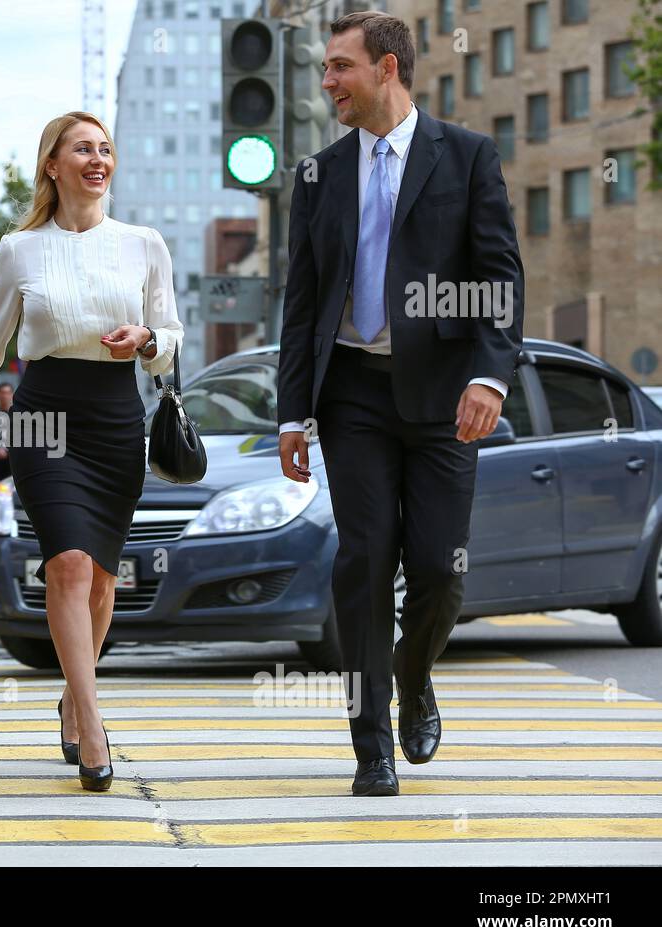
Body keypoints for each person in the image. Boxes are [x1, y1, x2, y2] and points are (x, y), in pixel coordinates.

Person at [276, 12, 524, 796]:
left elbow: (501, 278)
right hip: (352, 394)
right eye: (323, 69)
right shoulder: (317, 175)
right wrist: (291, 413)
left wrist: (489, 377)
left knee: (439, 572)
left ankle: (414, 678)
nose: (327, 83)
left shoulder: (468, 157)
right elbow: (302, 301)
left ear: (387, 69)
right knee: (363, 561)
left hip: (446, 398)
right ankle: (370, 747)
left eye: (339, 67)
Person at [0, 111, 183, 791]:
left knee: (101, 578)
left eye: (105, 150)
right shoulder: (18, 249)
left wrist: (149, 340)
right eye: (82, 150)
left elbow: (170, 339)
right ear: (53, 165)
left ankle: (74, 694)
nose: (97, 160)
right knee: (66, 563)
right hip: (44, 416)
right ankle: (93, 720)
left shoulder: (143, 243)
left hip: (115, 417)